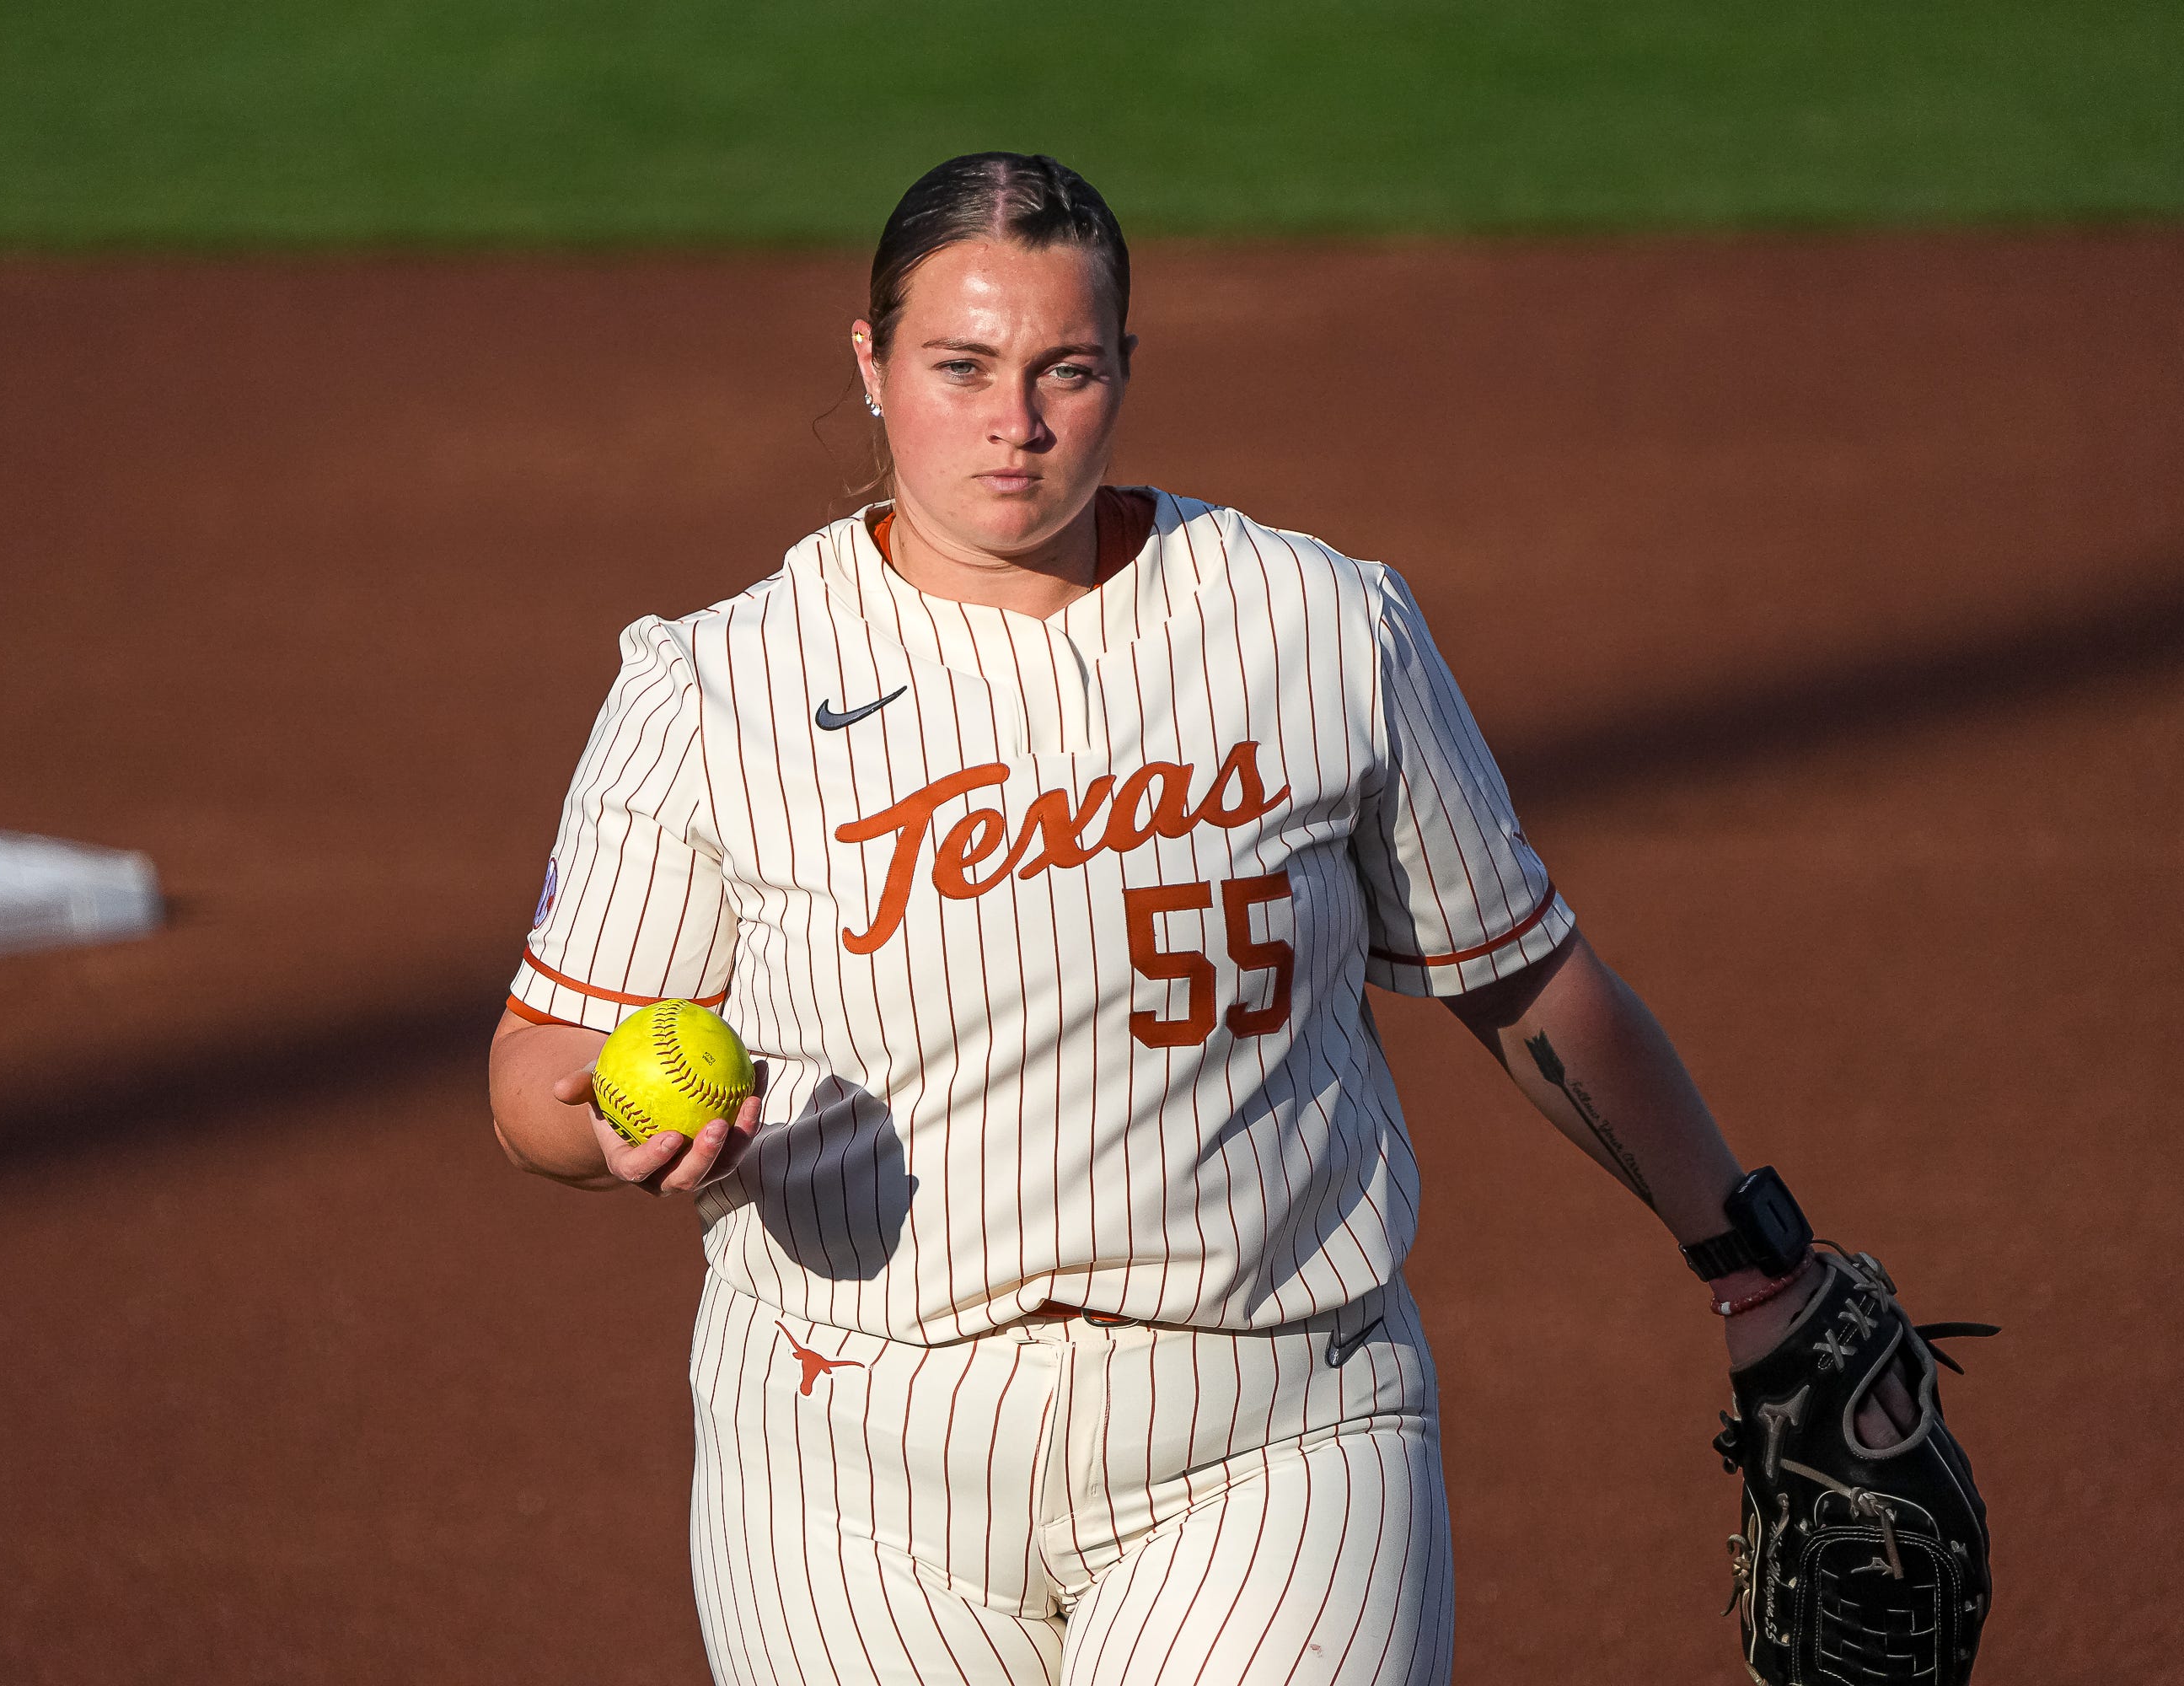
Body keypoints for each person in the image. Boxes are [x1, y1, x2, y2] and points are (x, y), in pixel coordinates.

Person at [486, 153, 1909, 1686]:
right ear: (871, 359)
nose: (1014, 423)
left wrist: (1755, 1262)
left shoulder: (1314, 625)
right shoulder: (715, 685)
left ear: (1123, 368)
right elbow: (534, 1069)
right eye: (959, 366)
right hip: (845, 1461)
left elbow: (1526, 981)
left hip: (1271, 1432)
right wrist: (603, 1132)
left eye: (1066, 369)